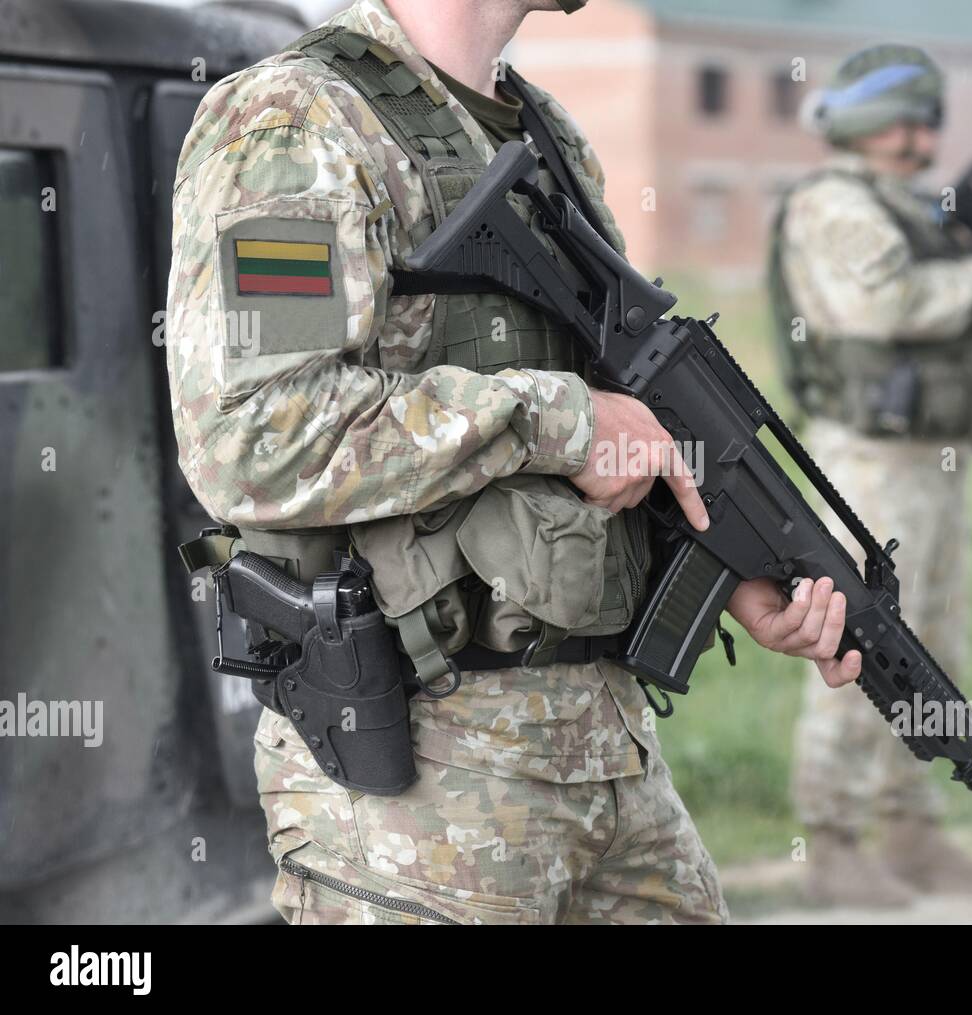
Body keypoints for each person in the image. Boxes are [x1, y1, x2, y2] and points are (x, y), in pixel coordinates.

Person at [166, 0, 861, 925]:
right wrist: (558, 420)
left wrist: (732, 566)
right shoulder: (297, 122)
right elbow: (255, 434)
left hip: (606, 757)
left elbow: (621, 416)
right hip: (420, 794)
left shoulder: (545, 132)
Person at [770, 44, 972, 906]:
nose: (928, 132)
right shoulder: (834, 204)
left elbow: (938, 318)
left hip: (932, 461)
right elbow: (880, 306)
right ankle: (834, 841)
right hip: (870, 465)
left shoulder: (908, 205)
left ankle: (911, 827)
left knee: (933, 648)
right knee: (863, 646)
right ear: (875, 122)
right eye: (915, 115)